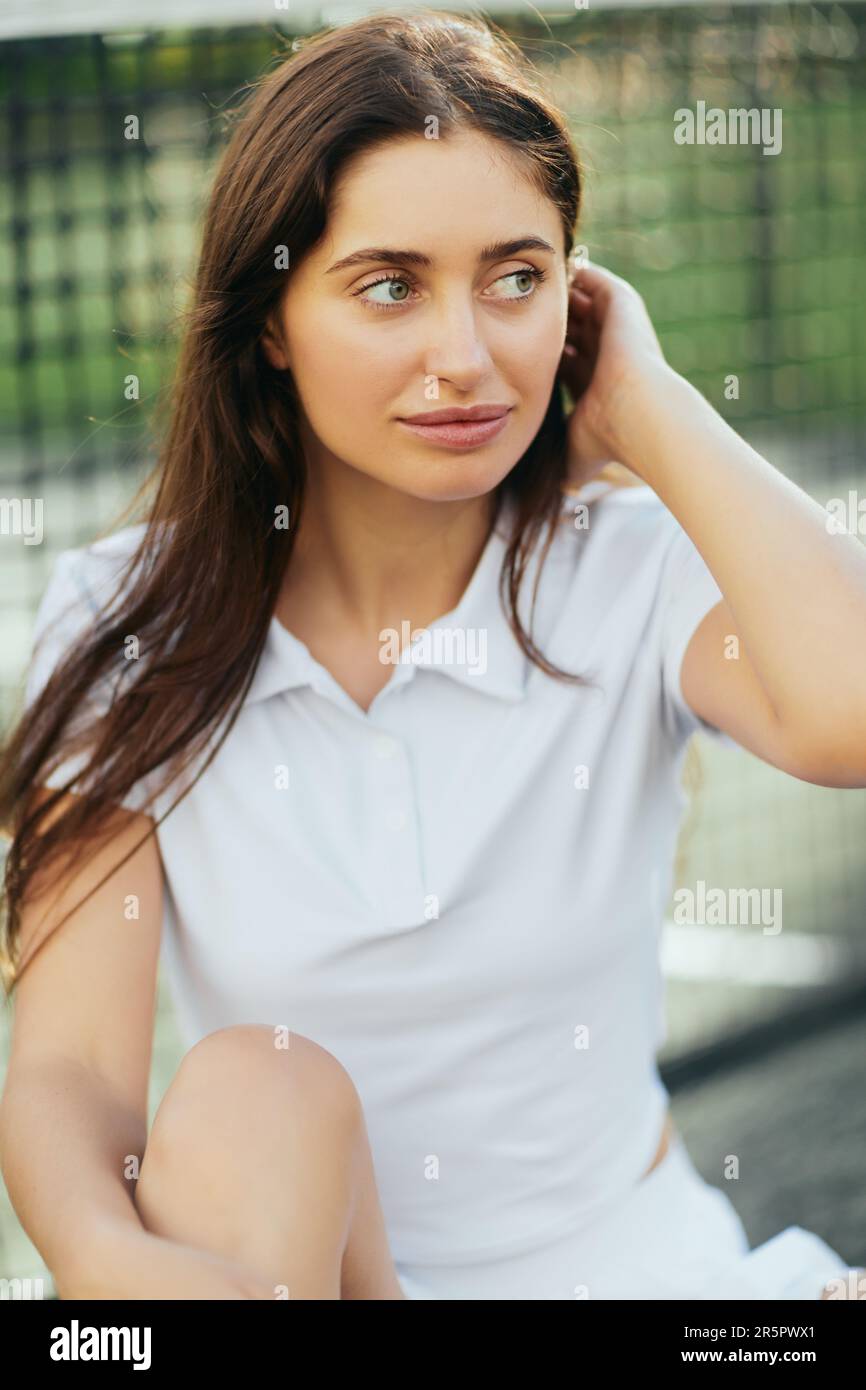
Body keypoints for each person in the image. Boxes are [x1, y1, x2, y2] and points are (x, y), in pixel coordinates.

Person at [1, 10, 864, 1301]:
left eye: (515, 278)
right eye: (389, 283)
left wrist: (646, 405)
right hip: (331, 1278)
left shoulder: (629, 567)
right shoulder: (126, 622)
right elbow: (68, 1067)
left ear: (575, 300)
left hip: (645, 1283)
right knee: (252, 1087)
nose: (465, 360)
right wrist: (109, 1260)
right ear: (274, 318)